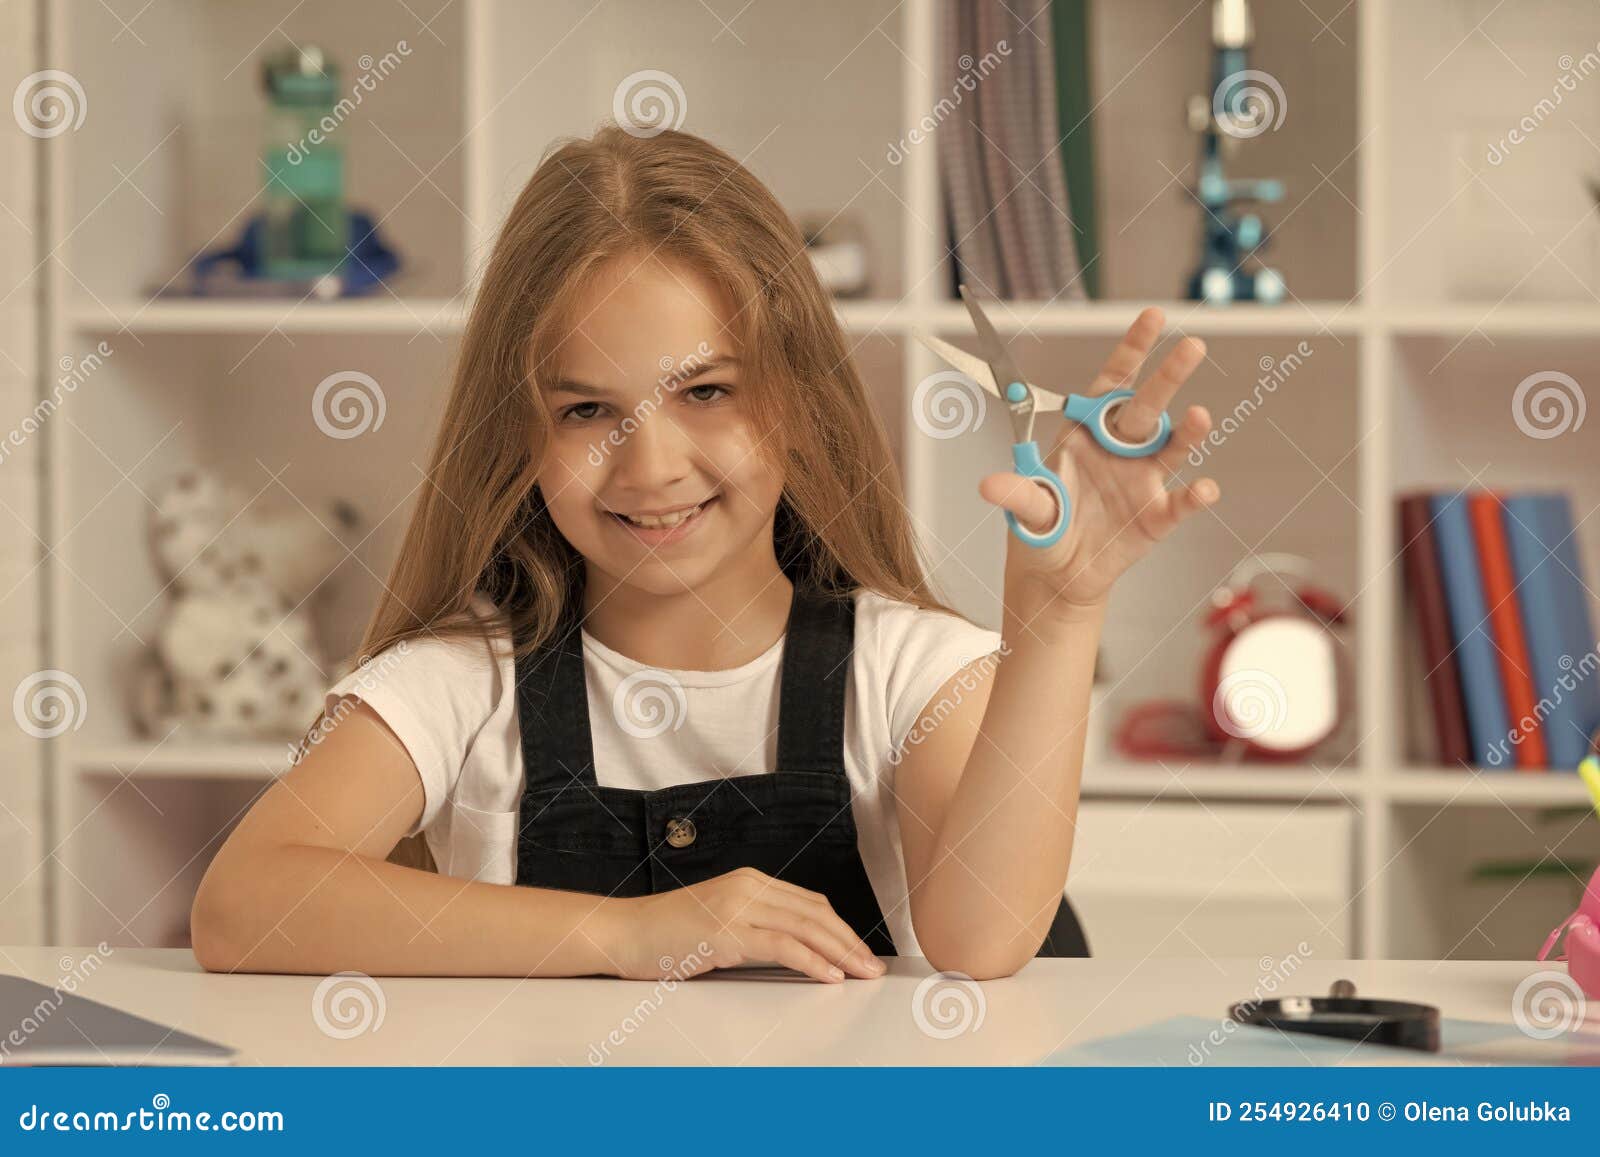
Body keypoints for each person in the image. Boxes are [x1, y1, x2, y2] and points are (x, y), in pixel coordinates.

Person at [191, 123, 1218, 983]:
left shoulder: (909, 673)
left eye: (707, 391)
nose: (650, 466)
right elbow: (242, 907)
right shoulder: (462, 683)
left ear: (797, 404)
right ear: (519, 434)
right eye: (588, 408)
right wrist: (630, 933)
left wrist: (1059, 614)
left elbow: (981, 938)